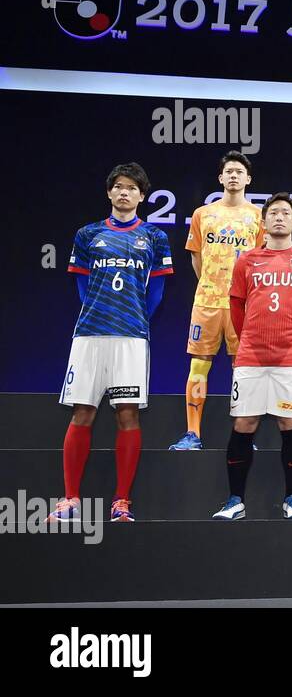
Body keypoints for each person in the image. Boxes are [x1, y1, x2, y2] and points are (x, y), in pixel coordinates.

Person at [49, 163, 173, 523]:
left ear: (142, 195)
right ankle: (70, 499)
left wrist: (135, 318)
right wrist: (100, 313)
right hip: (89, 335)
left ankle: (122, 502)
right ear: (109, 193)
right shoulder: (88, 234)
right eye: (118, 187)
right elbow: (82, 285)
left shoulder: (154, 236)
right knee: (82, 411)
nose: (124, 193)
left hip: (132, 338)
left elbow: (159, 289)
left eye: (131, 188)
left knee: (128, 414)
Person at [212, 194, 292, 520]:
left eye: (285, 213)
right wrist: (252, 336)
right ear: (263, 221)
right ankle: (235, 500)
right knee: (244, 423)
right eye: (273, 212)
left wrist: (290, 336)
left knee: (290, 423)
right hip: (251, 356)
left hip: (290, 356)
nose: (279, 217)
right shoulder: (246, 260)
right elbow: (236, 306)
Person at [171, 150, 263, 450]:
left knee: (243, 368)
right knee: (199, 365)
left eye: (239, 171)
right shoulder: (202, 214)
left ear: (248, 179)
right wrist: (212, 284)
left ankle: (244, 438)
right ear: (221, 178)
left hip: (243, 306)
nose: (234, 175)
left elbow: (262, 260)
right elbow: (197, 258)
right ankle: (193, 434)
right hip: (207, 303)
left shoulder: (257, 216)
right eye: (229, 171)